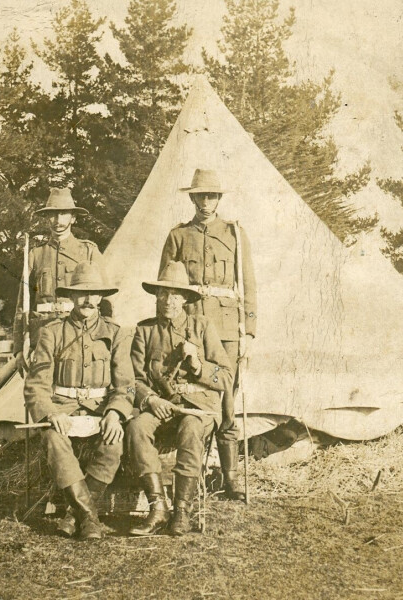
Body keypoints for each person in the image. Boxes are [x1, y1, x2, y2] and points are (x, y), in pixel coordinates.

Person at [159, 168, 256, 501]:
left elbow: (248, 285)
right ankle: (190, 472)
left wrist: (249, 333)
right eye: (200, 196)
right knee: (191, 397)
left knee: (227, 403)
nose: (206, 202)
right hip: (190, 327)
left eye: (211, 196)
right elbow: (165, 288)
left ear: (218, 199)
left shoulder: (234, 234)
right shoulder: (178, 236)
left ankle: (231, 479)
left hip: (226, 330)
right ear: (192, 198)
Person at [23, 262, 134, 540]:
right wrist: (51, 413)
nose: (87, 299)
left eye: (93, 294)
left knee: (113, 444)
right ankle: (89, 518)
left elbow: (125, 385)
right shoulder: (52, 332)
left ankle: (74, 516)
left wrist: (115, 413)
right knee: (53, 439)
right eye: (81, 293)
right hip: (63, 409)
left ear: (100, 297)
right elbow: (36, 384)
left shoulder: (116, 333)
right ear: (71, 296)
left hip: (100, 410)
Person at [124, 261, 235, 536]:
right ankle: (158, 508)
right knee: (136, 427)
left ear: (185, 299)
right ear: (156, 296)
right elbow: (133, 380)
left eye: (175, 295)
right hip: (161, 407)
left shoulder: (202, 326)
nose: (168, 301)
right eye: (163, 294)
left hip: (198, 408)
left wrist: (198, 365)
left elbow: (227, 377)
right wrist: (151, 400)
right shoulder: (145, 331)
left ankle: (182, 510)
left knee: (191, 428)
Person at [13, 188, 103, 361]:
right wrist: (18, 349)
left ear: (73, 218)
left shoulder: (88, 251)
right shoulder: (36, 254)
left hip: (78, 334)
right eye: (53, 215)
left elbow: (105, 302)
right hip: (42, 334)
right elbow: (22, 305)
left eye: (63, 214)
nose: (58, 221)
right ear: (47, 218)